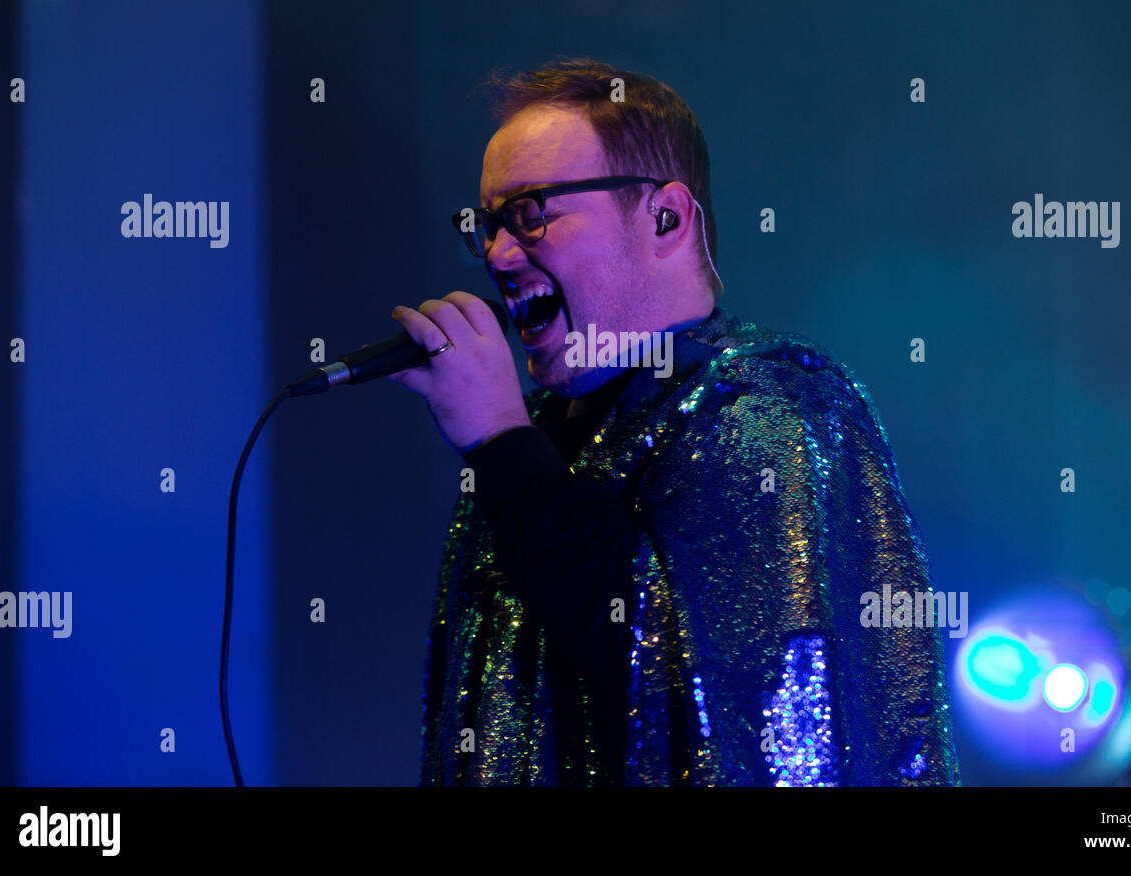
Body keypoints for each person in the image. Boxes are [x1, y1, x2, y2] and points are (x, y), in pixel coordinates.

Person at [389, 57, 960, 786]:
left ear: (666, 217)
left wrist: (502, 445)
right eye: (488, 223)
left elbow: (689, 685)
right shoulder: (539, 431)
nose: (499, 255)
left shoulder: (768, 406)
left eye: (531, 213)